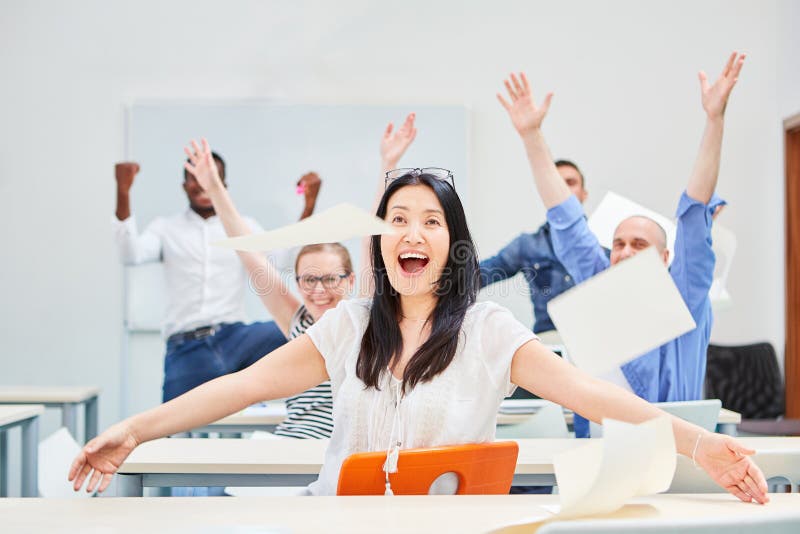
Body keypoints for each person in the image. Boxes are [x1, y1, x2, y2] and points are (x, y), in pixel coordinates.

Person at [73, 167, 767, 504]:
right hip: (339, 523)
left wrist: (700, 441)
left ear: (452, 245)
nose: (412, 231)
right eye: (397, 218)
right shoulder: (346, 327)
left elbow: (592, 396)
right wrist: (137, 429)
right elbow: (239, 387)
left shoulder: (491, 331)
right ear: (381, 243)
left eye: (431, 220)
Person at [497, 52, 745, 437]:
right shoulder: (599, 282)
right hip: (597, 449)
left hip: (671, 451)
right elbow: (565, 216)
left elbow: (694, 213)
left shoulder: (685, 295)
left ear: (665, 258)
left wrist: (714, 120)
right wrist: (532, 137)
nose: (626, 251)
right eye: (618, 243)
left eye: (639, 244)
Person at [112, 155, 318, 403]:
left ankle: (311, 414)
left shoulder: (244, 226)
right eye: (194, 179)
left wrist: (308, 207)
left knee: (306, 327)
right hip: (187, 347)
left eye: (209, 179)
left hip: (236, 339)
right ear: (184, 186)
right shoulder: (166, 228)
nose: (201, 185)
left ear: (223, 186)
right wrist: (122, 191)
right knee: (170, 434)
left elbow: (284, 259)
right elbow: (130, 253)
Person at [185, 139, 352, 439]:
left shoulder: (362, 320)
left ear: (350, 281)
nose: (319, 290)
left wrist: (387, 164)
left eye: (330, 279)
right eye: (308, 280)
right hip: (289, 446)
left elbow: (376, 239)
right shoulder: (298, 322)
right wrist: (214, 189)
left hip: (336, 457)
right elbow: (248, 252)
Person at [479, 159, 595, 335]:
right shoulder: (527, 245)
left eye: (570, 183)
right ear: (545, 192)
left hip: (596, 340)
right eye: (556, 184)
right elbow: (476, 275)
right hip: (550, 343)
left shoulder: (609, 242)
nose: (563, 189)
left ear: (584, 194)